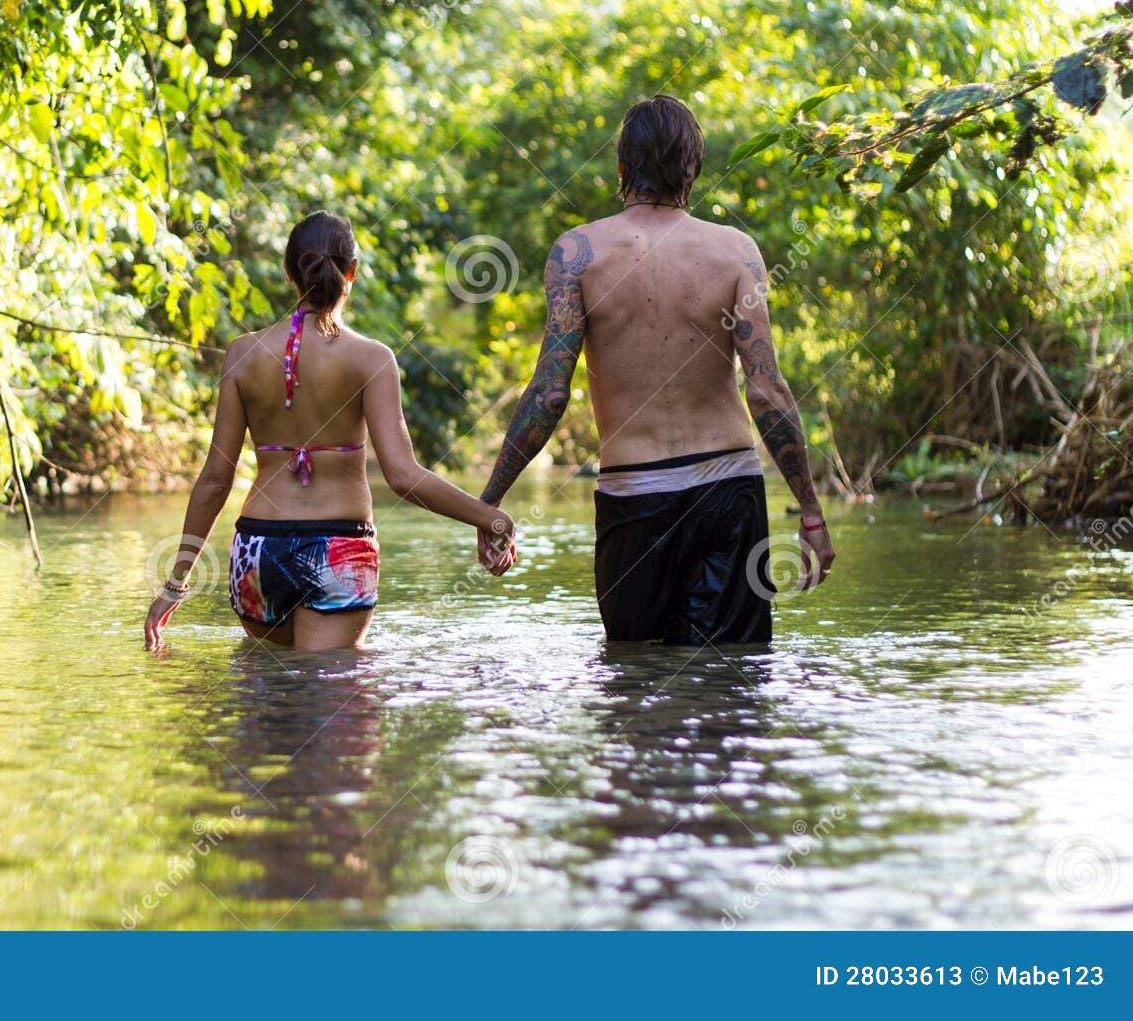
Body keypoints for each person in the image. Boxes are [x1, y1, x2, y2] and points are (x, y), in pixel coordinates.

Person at [478, 94, 835, 645]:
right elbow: (765, 392)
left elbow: (550, 395)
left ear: (622, 166)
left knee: (635, 684)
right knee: (730, 683)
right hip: (728, 491)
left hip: (633, 496)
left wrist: (490, 503)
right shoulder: (736, 251)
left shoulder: (577, 252)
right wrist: (810, 511)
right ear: (693, 168)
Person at [144, 210, 516, 653]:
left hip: (259, 549)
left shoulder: (242, 355)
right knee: (331, 702)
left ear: (289, 273)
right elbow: (401, 475)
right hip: (339, 547)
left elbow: (214, 481)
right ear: (352, 272)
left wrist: (174, 584)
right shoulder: (371, 359)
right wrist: (491, 518)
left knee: (273, 701)